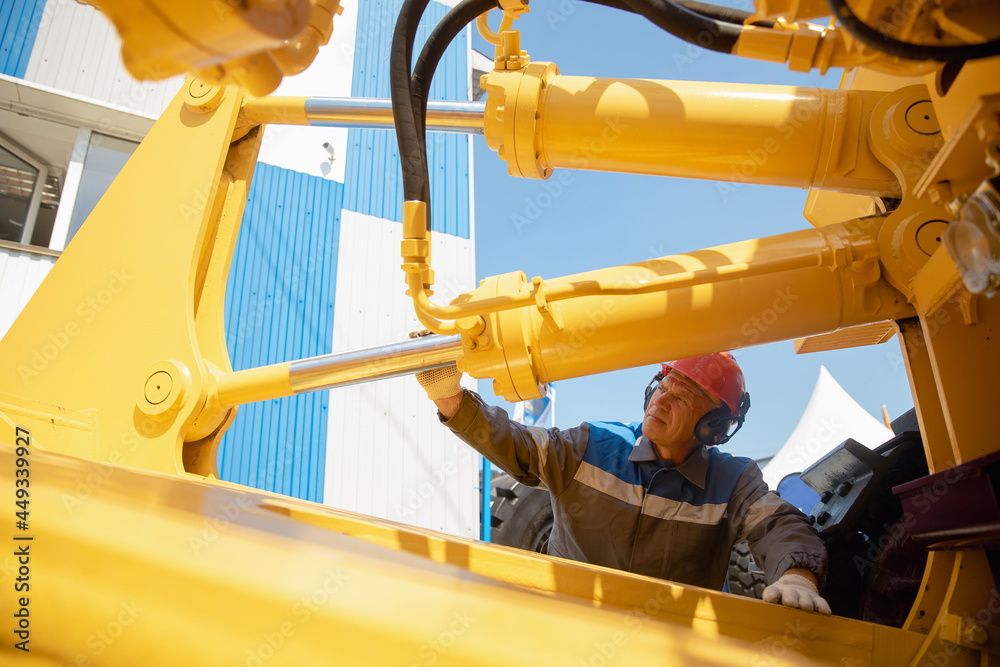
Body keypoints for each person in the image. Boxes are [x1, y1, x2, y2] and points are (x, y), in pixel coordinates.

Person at [417, 352, 831, 614]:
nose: (661, 401)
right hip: (568, 634)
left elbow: (779, 525)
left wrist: (797, 575)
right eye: (663, 385)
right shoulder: (593, 445)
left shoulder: (732, 481)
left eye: (683, 396)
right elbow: (519, 444)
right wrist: (452, 400)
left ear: (712, 427)